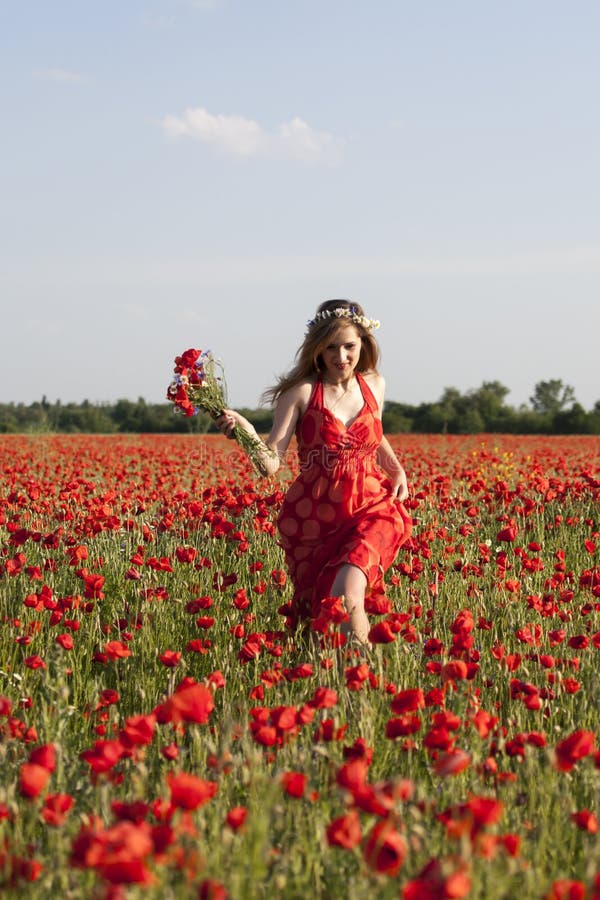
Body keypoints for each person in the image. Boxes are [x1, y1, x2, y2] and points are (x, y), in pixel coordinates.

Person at [215, 299, 412, 645]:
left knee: (351, 588)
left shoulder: (374, 385)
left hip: (371, 507)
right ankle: (346, 681)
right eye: (331, 348)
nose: (341, 357)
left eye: (349, 346)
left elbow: (374, 433)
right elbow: (270, 463)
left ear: (363, 343)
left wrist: (395, 469)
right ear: (317, 350)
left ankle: (362, 678)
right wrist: (244, 430)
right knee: (329, 607)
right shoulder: (302, 392)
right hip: (319, 517)